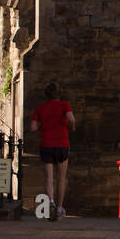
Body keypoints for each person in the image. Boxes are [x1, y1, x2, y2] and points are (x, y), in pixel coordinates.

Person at [30, 82, 75, 220]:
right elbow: (71, 119)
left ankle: (50, 202)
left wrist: (42, 124)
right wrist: (71, 127)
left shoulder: (41, 108)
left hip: (46, 145)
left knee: (49, 179)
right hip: (62, 145)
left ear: (46, 95)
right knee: (61, 178)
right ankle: (60, 208)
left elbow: (32, 128)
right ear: (59, 94)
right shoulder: (64, 105)